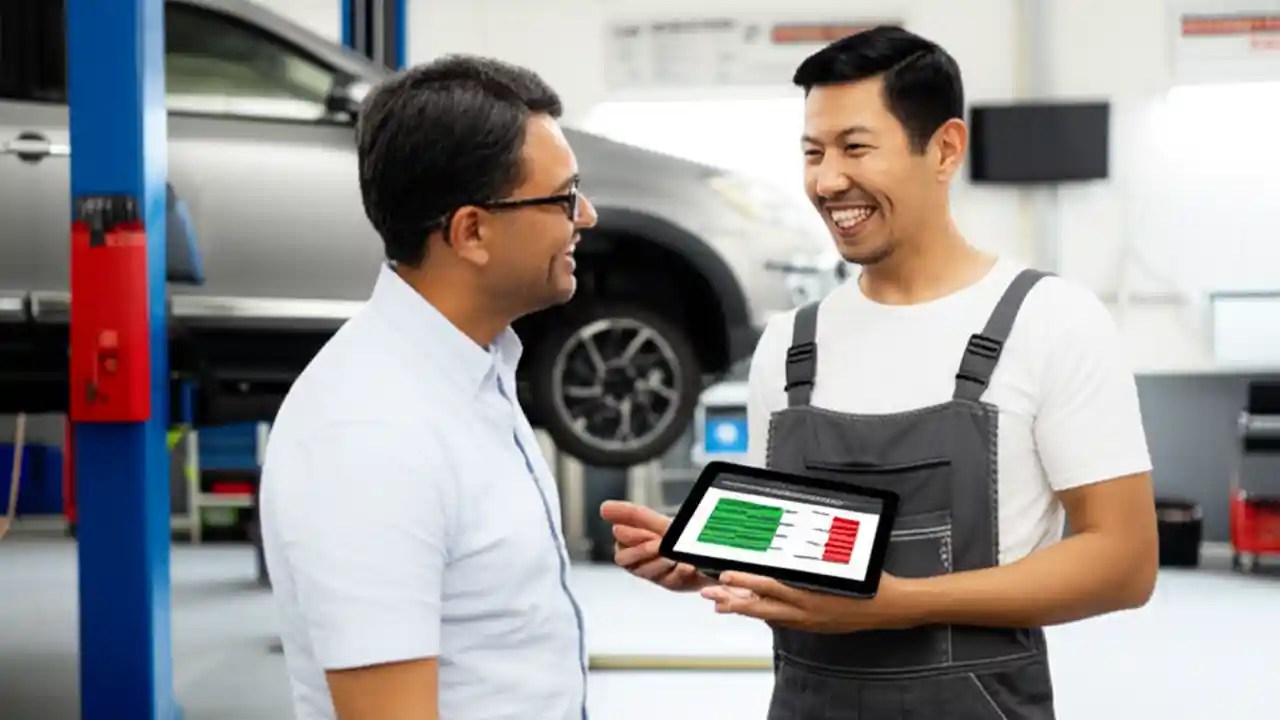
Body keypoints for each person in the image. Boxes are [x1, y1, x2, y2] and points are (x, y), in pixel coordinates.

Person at [602, 26, 1157, 719]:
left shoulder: (1052, 321)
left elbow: (1124, 561)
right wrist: (707, 554)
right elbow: (798, 546)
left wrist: (900, 605)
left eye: (856, 147)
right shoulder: (789, 346)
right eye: (813, 152)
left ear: (945, 148)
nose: (828, 180)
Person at [259, 54, 597, 720]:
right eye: (563, 197)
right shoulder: (370, 435)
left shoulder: (470, 373)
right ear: (472, 231)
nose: (586, 215)